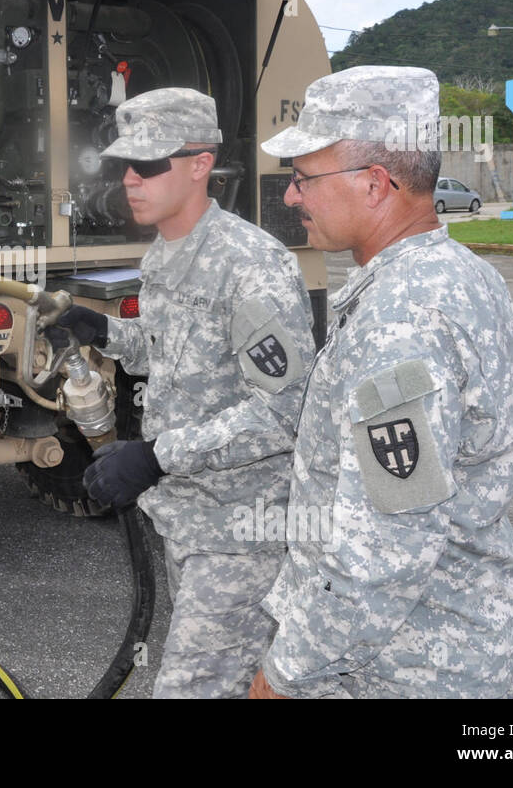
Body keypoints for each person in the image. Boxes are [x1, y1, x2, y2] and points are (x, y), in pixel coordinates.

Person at [249, 65, 513, 699]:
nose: (292, 197)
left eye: (303, 179)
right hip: (435, 649)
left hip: (399, 668)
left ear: (376, 184)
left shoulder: (402, 319)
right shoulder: (460, 273)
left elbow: (386, 544)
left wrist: (287, 672)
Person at [50, 87, 315, 698]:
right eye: (124, 165)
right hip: (188, 519)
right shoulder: (166, 252)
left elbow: (285, 413)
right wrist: (109, 332)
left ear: (201, 164)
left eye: (148, 165)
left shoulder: (251, 266)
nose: (130, 180)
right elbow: (169, 348)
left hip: (240, 531)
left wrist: (156, 455)